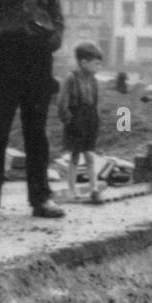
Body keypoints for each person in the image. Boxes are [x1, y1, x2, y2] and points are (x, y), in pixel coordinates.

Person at [0, 0, 66, 220]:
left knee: (37, 132)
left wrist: (54, 38)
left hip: (40, 57)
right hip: (5, 56)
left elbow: (57, 17)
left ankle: (41, 199)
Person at [58, 41, 103, 204]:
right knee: (75, 156)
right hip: (76, 120)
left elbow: (95, 103)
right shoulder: (71, 78)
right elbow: (62, 103)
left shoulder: (93, 81)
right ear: (84, 63)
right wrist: (69, 121)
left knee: (90, 155)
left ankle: (94, 189)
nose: (99, 68)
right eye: (96, 64)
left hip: (89, 120)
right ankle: (71, 189)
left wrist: (96, 122)